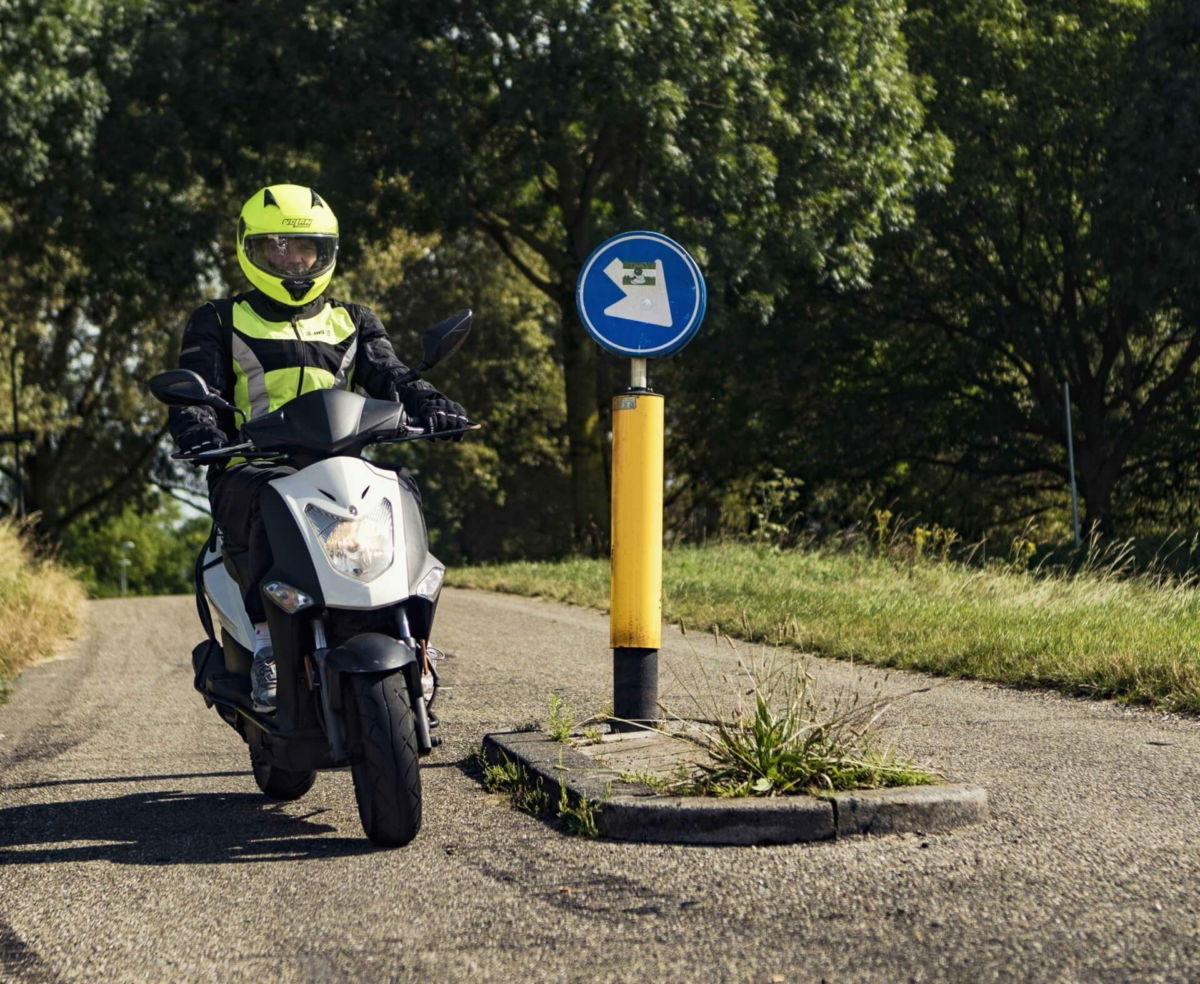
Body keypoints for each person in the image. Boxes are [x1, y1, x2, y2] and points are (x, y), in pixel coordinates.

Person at [167, 183, 468, 712]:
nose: (291, 260)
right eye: (276, 247)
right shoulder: (218, 320)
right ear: (251, 250)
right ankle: (264, 642)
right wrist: (200, 430)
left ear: (325, 253)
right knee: (258, 504)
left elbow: (392, 375)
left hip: (342, 469)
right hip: (254, 467)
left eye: (304, 249)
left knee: (402, 489)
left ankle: (414, 639)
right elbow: (195, 390)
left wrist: (433, 402)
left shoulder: (355, 319)